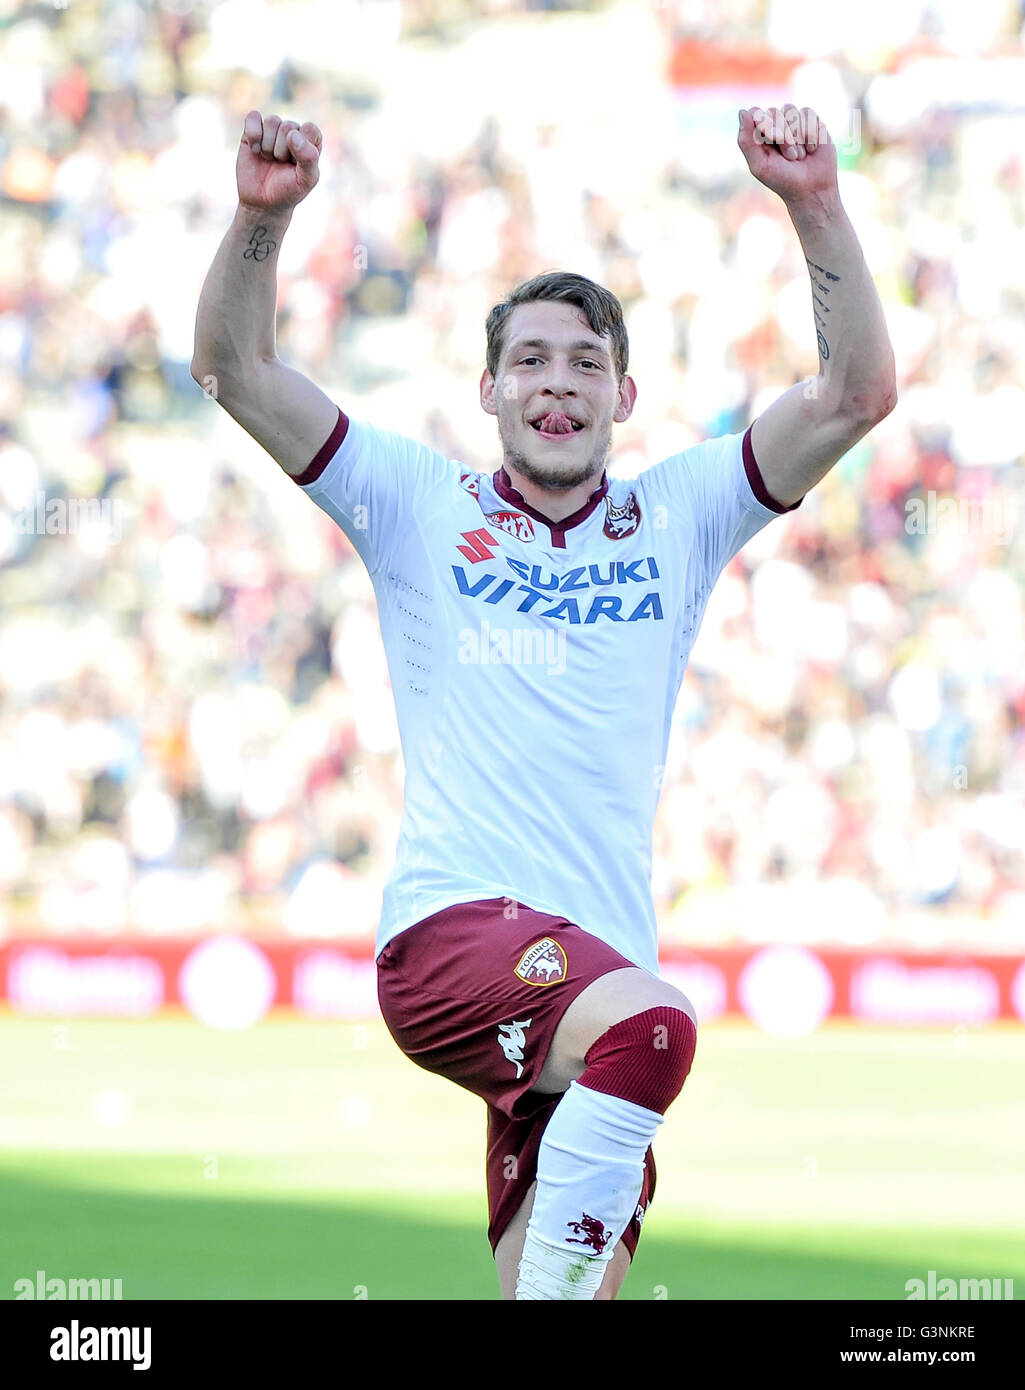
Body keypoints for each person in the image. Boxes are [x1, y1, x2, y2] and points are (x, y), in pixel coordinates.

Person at [191, 104, 896, 1299]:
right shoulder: (414, 500)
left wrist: (814, 205)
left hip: (587, 986)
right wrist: (263, 220)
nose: (555, 383)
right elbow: (235, 368)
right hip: (458, 939)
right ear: (489, 391)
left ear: (622, 398)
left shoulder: (677, 514)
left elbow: (853, 396)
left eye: (584, 363)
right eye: (530, 360)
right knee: (660, 1031)